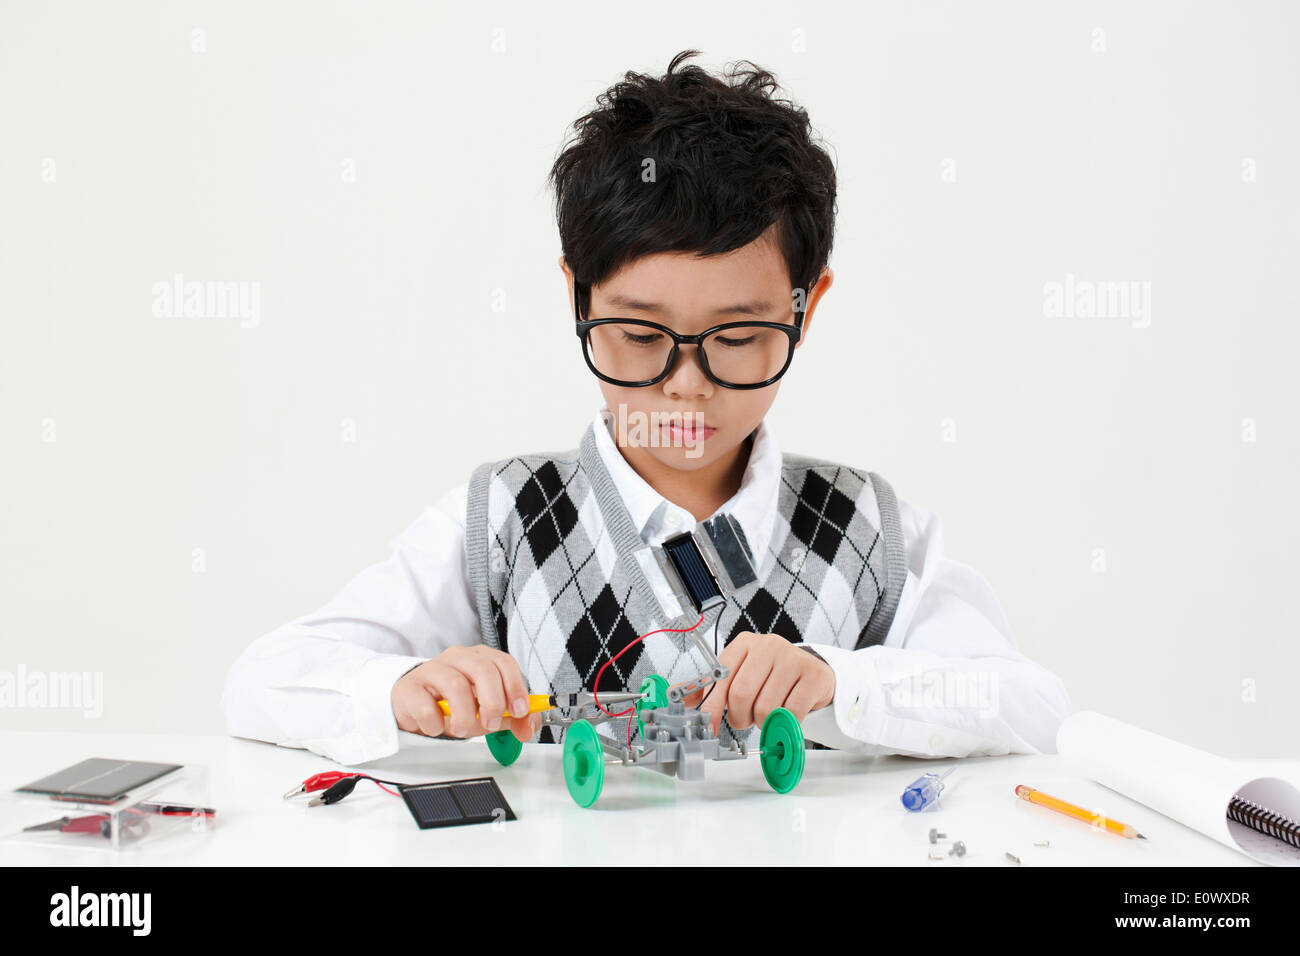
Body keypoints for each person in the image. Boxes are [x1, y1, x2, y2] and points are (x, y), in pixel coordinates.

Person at [221, 50, 1070, 767]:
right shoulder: (506, 521)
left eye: (737, 336)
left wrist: (842, 682)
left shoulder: (872, 533)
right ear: (577, 298)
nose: (685, 386)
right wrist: (395, 688)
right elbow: (262, 678)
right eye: (637, 332)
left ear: (806, 309)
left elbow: (1030, 705)